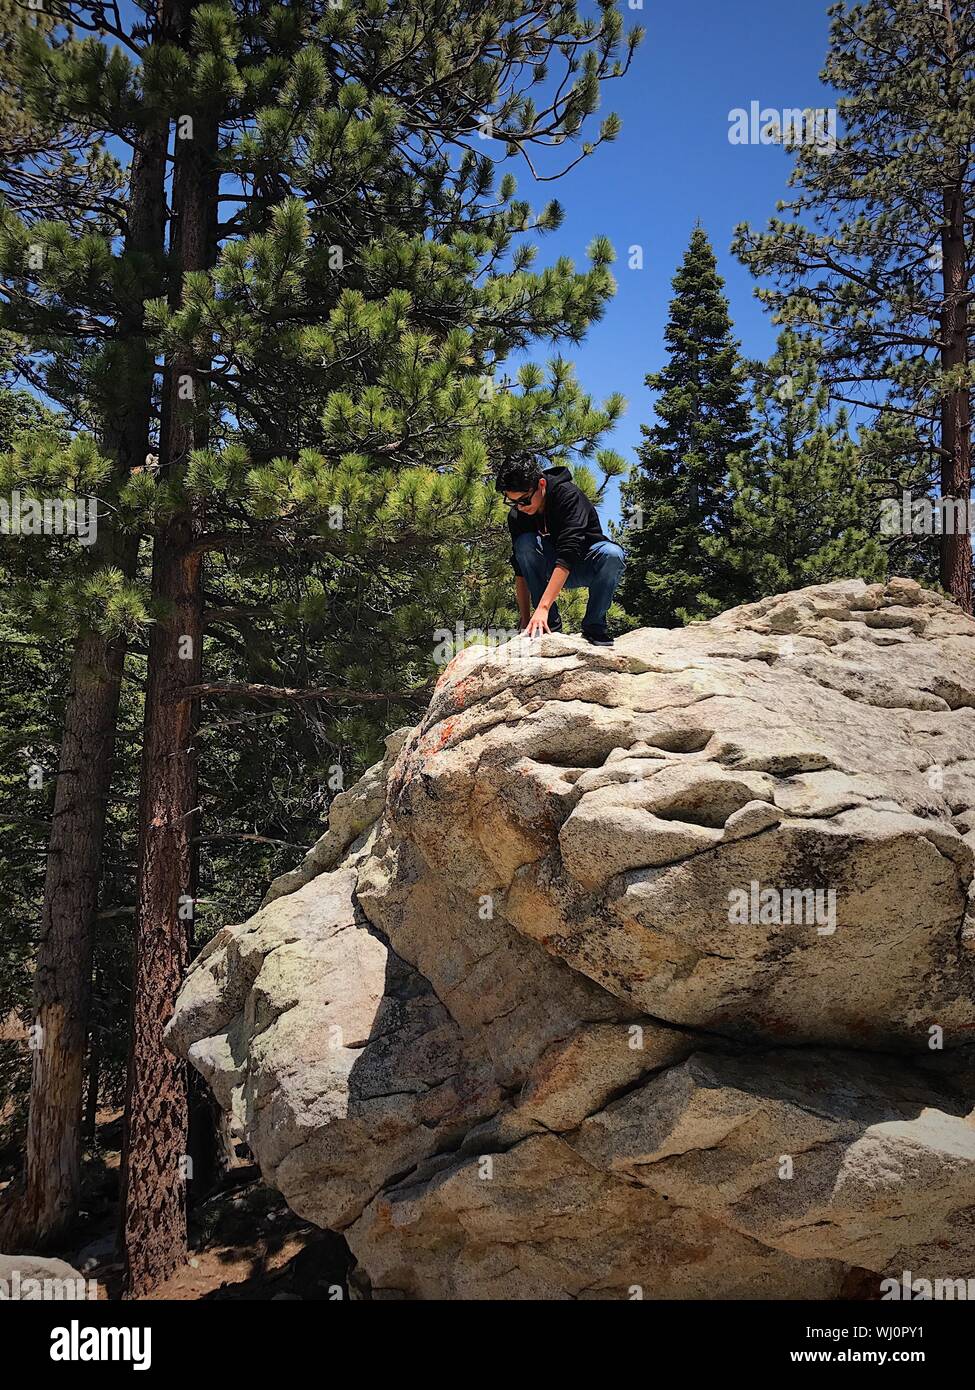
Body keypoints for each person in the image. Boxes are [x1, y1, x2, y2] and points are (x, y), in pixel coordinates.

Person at [496, 461, 626, 645]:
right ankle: (549, 625)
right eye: (513, 502)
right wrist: (525, 619)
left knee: (612, 554)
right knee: (524, 544)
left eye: (524, 500)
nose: (520, 507)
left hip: (585, 564)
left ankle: (594, 627)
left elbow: (568, 552)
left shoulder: (568, 496)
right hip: (550, 569)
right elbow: (521, 571)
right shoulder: (518, 516)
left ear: (541, 484)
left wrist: (542, 607)